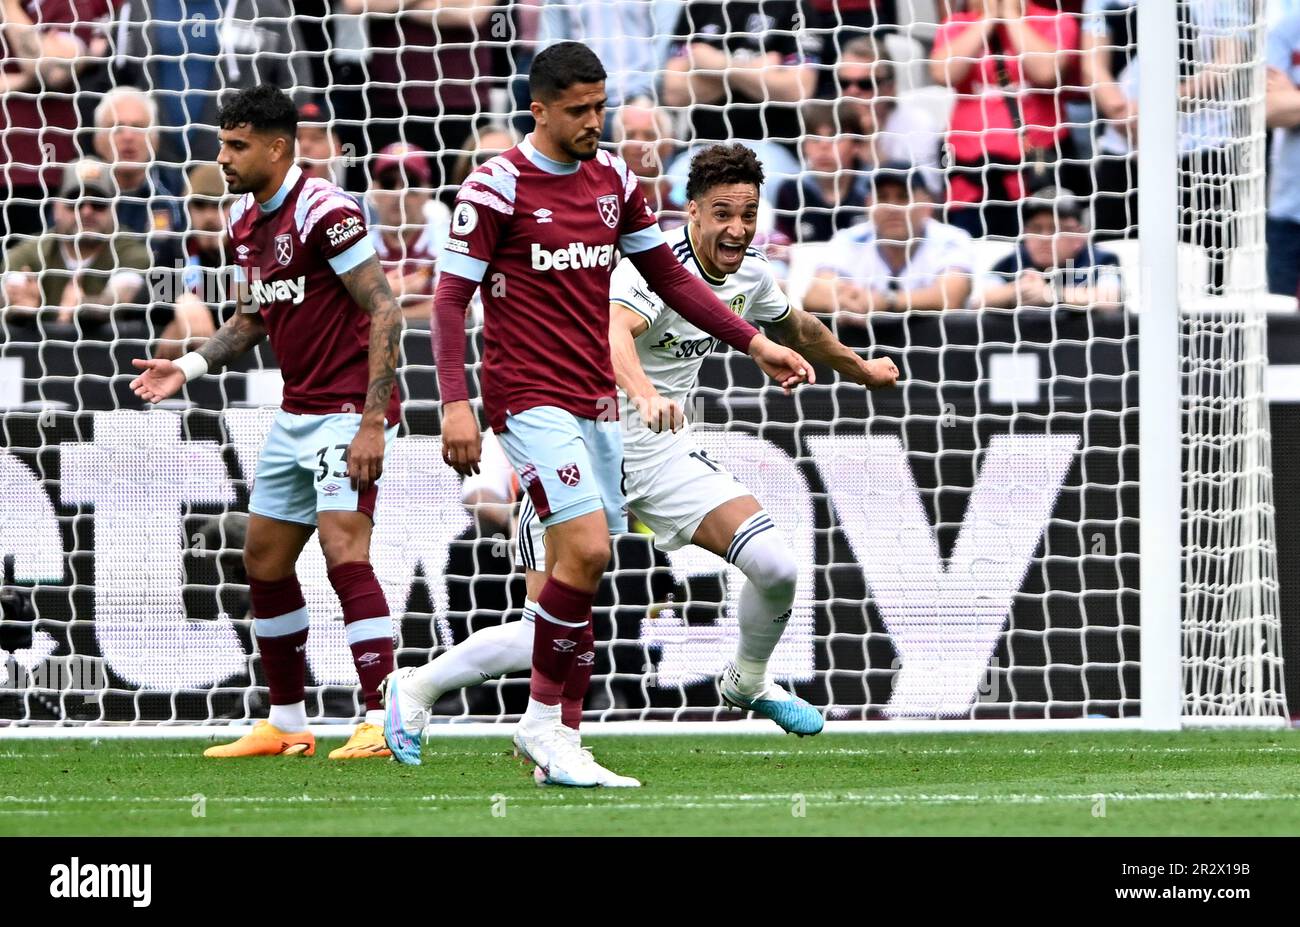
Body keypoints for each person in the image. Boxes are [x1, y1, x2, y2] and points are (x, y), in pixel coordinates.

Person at [387, 42, 813, 785]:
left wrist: (754, 343)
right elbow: (451, 300)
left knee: (575, 585)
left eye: (600, 106)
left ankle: (491, 713)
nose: (593, 121)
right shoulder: (494, 188)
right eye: (579, 110)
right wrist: (454, 401)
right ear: (540, 109)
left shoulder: (613, 176)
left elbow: (670, 277)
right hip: (527, 398)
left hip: (597, 405)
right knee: (584, 554)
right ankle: (546, 729)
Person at [128, 86, 405, 761]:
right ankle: (287, 720)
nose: (223, 157)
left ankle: (381, 717)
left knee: (344, 549)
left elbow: (385, 309)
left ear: (279, 147)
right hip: (298, 410)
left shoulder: (326, 212)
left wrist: (373, 421)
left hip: (347, 410)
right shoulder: (245, 223)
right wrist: (187, 367)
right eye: (224, 144)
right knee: (264, 558)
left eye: (237, 145)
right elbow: (255, 317)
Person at [930, 0, 1080, 238]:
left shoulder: (1057, 21)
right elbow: (943, 73)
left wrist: (1010, 16)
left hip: (1036, 177)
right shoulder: (956, 24)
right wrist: (987, 20)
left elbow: (1046, 72)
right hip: (969, 180)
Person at [803, 162, 974, 318]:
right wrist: (845, 302)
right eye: (883, 197)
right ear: (869, 204)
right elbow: (814, 295)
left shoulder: (950, 239)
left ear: (926, 205)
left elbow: (951, 297)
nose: (892, 207)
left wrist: (886, 301)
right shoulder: (849, 239)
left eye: (903, 197)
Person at [1, 158, 149, 336]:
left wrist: (83, 306)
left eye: (97, 203)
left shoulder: (132, 251)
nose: (86, 211)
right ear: (56, 208)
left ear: (114, 209)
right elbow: (9, 289)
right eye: (74, 201)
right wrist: (16, 307)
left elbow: (121, 296)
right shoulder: (30, 251)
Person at [662, 0, 820, 149]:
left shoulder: (794, 7)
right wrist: (755, 71)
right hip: (703, 145)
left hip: (772, 146)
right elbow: (674, 92)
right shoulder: (699, 5)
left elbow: (798, 89)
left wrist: (716, 65)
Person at [977, 187, 1123, 312]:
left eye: (1055, 229)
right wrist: (1017, 290)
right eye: (1036, 228)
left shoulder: (1102, 259)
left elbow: (1109, 299)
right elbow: (977, 301)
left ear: (1079, 235)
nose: (1044, 237)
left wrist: (1050, 294)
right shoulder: (1012, 261)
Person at [146, 164, 228, 356]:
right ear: (188, 208)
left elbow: (253, 310)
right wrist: (181, 301)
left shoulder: (252, 251)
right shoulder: (174, 250)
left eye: (219, 204)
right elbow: (147, 304)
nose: (209, 216)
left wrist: (187, 317)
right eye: (199, 204)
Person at [367, 142, 447, 322]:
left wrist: (381, 304)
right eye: (388, 183)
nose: (399, 193)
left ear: (427, 191)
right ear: (373, 190)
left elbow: (459, 308)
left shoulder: (448, 242)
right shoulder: (358, 246)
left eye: (411, 183)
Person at [90, 87, 183, 239]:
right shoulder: (79, 194)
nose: (128, 136)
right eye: (117, 127)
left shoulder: (177, 191)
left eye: (138, 127)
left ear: (155, 140)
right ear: (97, 141)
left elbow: (181, 259)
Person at [773, 101, 869, 244]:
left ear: (856, 145)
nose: (824, 146)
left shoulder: (873, 188)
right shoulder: (790, 191)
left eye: (834, 136)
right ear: (803, 145)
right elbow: (781, 248)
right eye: (814, 137)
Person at [1265, 10, 1300, 295]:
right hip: (1290, 214)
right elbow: (1271, 110)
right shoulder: (1289, 28)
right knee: (1286, 334)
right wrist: (1283, 103)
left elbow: (1285, 106)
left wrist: (1294, 98)